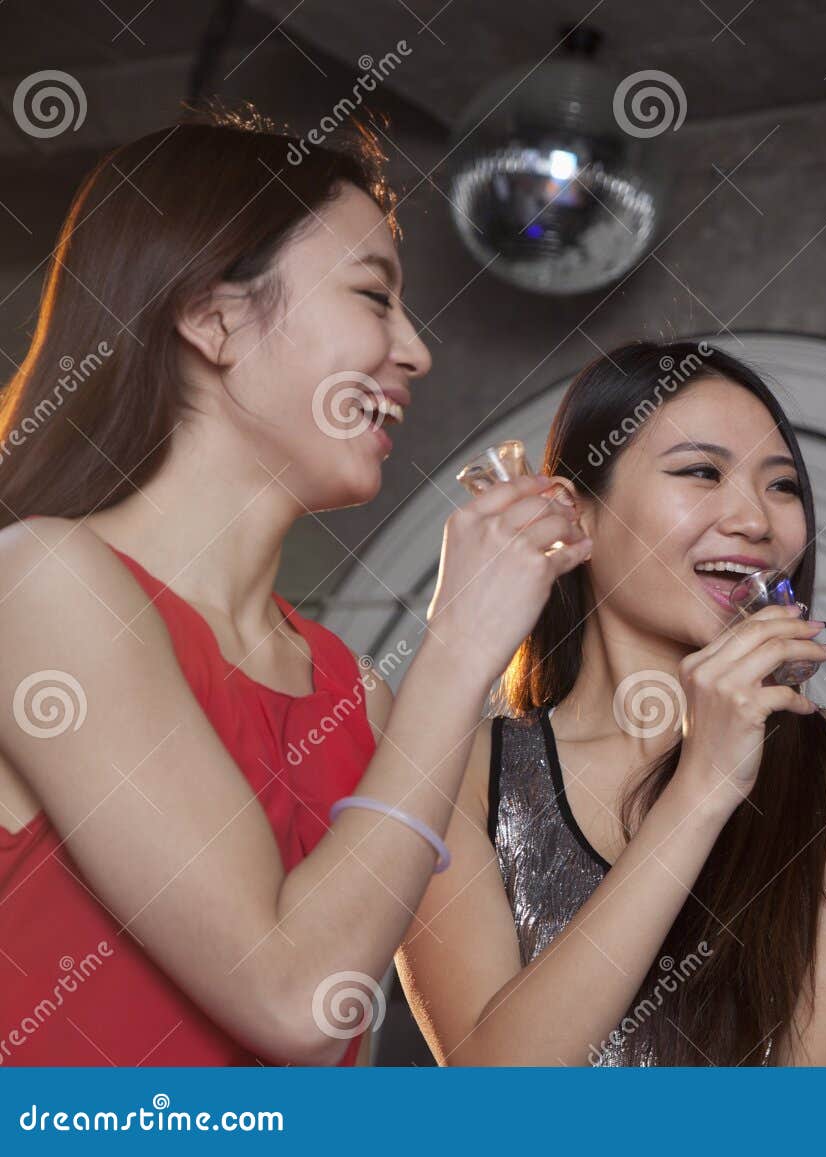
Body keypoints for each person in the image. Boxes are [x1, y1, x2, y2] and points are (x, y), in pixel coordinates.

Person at [0, 114, 589, 1065]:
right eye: (373, 295)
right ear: (215, 318)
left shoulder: (355, 697)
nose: (415, 351)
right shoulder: (41, 583)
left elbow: (488, 1059)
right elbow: (295, 1001)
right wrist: (458, 646)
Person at [395, 340, 826, 1065]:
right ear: (574, 516)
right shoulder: (456, 771)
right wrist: (702, 788)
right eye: (702, 472)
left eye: (782, 486)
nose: (756, 520)